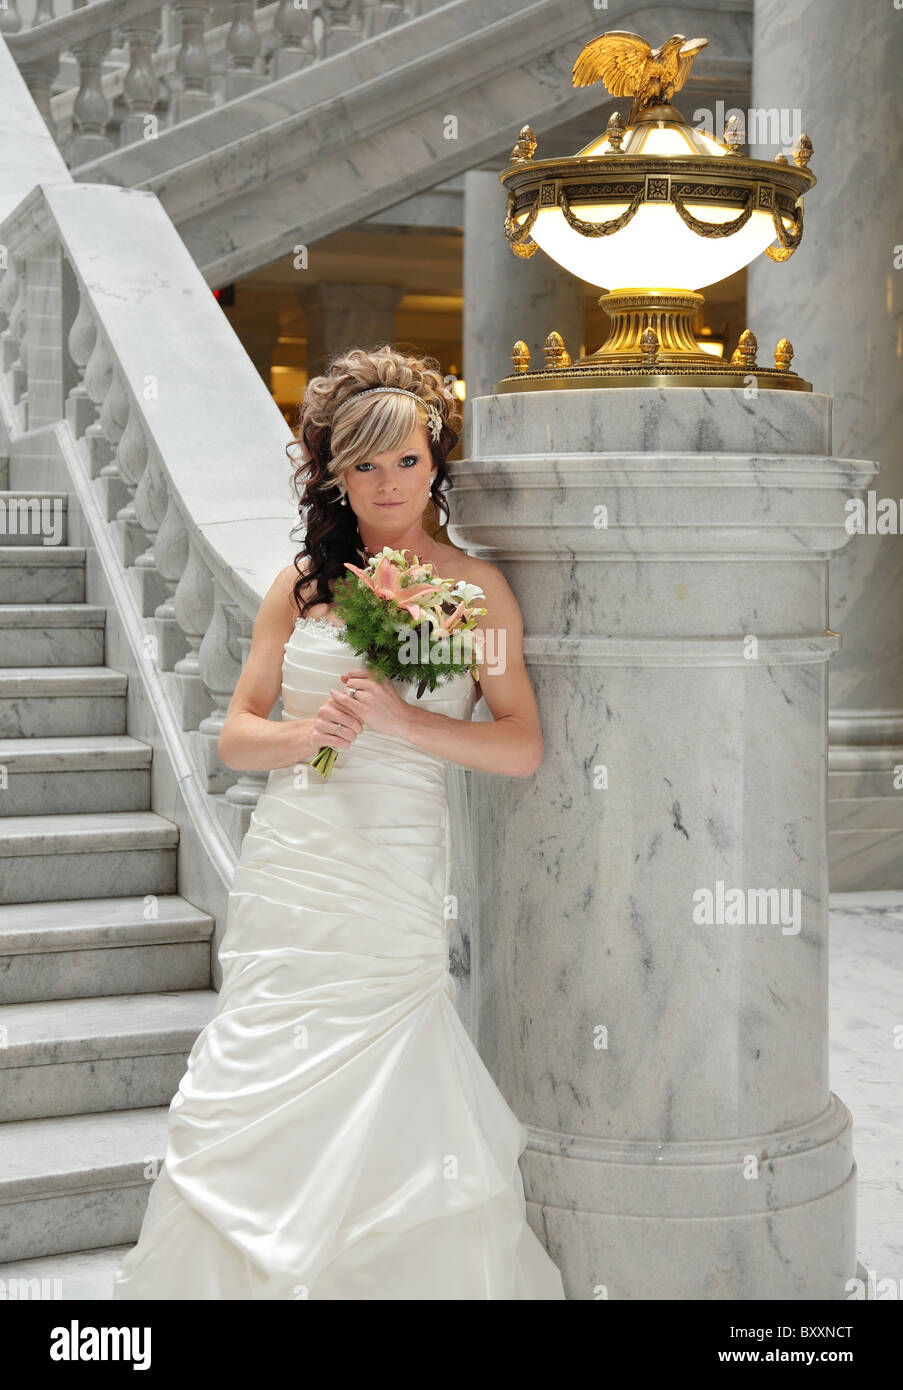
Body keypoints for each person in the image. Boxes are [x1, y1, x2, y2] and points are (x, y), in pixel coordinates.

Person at [111, 345, 566, 1300]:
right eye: (365, 463)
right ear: (334, 473)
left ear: (436, 463)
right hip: (296, 855)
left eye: (406, 460)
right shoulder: (302, 586)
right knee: (266, 1047)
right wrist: (309, 732)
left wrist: (406, 722)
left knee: (389, 1049)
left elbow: (521, 743)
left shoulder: (475, 591)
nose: (388, 482)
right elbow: (237, 735)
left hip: (397, 862)